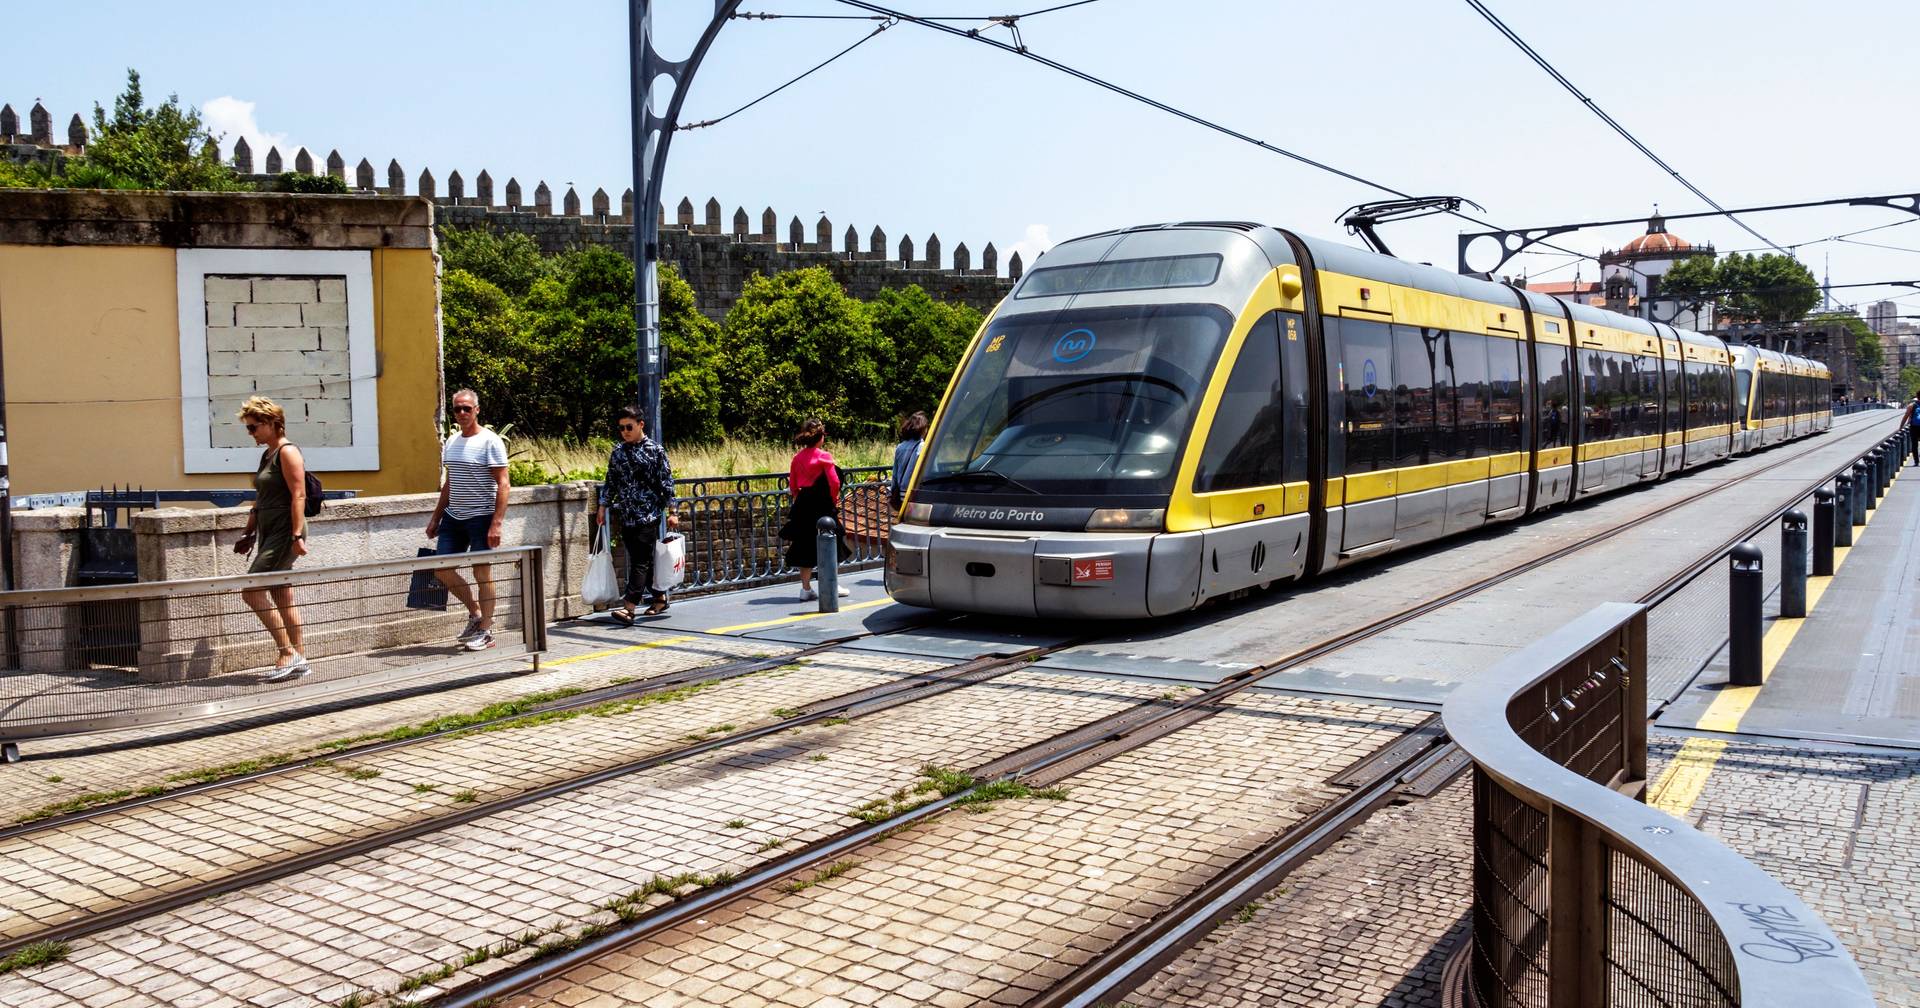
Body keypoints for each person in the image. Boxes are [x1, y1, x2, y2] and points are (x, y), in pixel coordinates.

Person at [233, 396, 311, 682]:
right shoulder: (267, 454)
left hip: (284, 531)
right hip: (268, 530)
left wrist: (295, 535)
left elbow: (298, 494)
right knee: (281, 594)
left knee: (251, 590)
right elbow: (261, 498)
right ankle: (300, 657)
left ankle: (287, 653)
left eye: (253, 428)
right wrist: (249, 531)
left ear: (270, 424)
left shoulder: (287, 452)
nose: (250, 433)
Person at [427, 388, 510, 651]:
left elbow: (504, 484)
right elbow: (450, 483)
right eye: (457, 409)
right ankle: (476, 614)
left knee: (481, 572)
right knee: (442, 569)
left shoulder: (490, 441)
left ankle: (486, 630)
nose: (462, 413)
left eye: (467, 408)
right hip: (454, 517)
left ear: (477, 410)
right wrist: (435, 518)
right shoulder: (452, 441)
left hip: (481, 516)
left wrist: (496, 523)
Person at [601, 407, 680, 622]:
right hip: (626, 515)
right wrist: (602, 507)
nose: (625, 431)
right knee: (644, 561)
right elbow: (611, 482)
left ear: (640, 425)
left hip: (648, 515)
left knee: (639, 561)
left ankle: (629, 607)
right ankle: (660, 597)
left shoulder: (655, 450)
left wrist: (673, 511)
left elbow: (666, 483)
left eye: (629, 427)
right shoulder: (618, 452)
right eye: (621, 428)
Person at [784, 417, 850, 601]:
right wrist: (833, 499)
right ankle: (831, 584)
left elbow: (793, 486)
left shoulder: (797, 458)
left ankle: (805, 590)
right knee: (832, 541)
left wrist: (800, 502)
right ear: (821, 437)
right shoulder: (824, 456)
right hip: (821, 503)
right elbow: (835, 482)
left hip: (803, 503)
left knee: (804, 545)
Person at [890, 411, 928, 514]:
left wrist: (893, 491)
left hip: (901, 493)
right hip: (916, 493)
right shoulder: (923, 447)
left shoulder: (900, 446)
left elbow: (895, 474)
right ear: (922, 428)